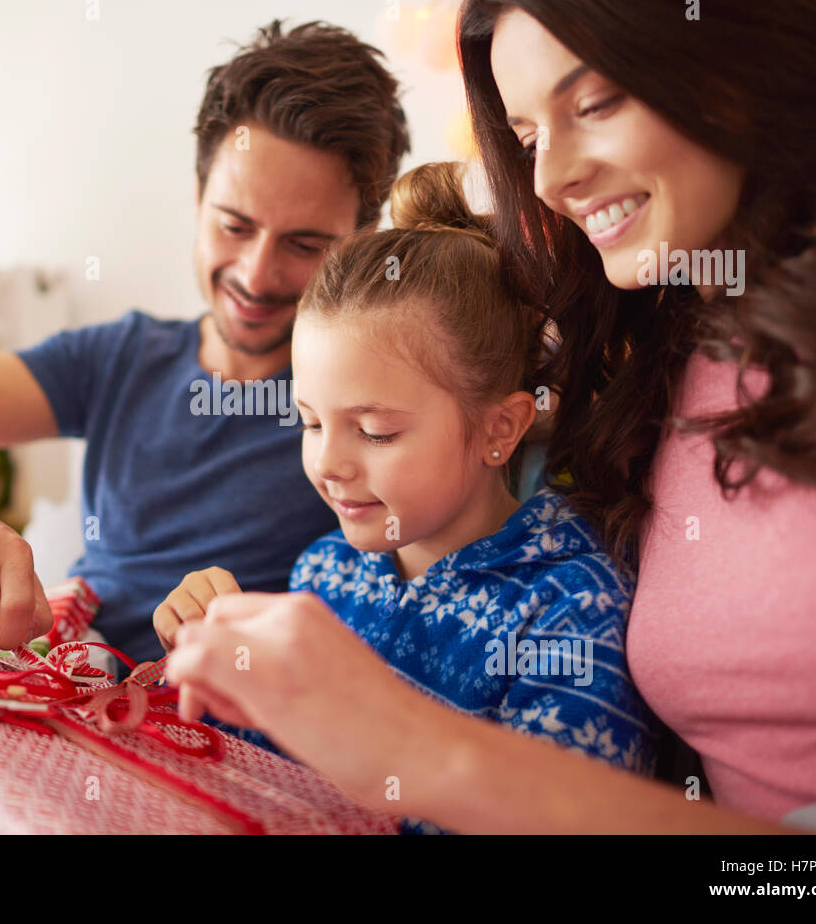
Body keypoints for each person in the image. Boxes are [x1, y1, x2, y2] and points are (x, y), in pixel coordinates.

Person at [165, 0, 816, 833]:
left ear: (750, 65)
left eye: (596, 104)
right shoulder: (666, 349)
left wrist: (403, 743)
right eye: (523, 134)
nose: (550, 177)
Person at [0, 21, 410, 666]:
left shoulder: (375, 408)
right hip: (55, 679)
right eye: (234, 225)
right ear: (198, 200)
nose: (255, 275)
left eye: (305, 245)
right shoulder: (122, 357)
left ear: (363, 240)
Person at [154, 164, 657, 803]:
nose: (328, 464)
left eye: (376, 432)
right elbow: (261, 779)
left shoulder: (570, 608)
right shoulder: (323, 577)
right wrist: (205, 663)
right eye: (311, 422)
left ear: (500, 425)